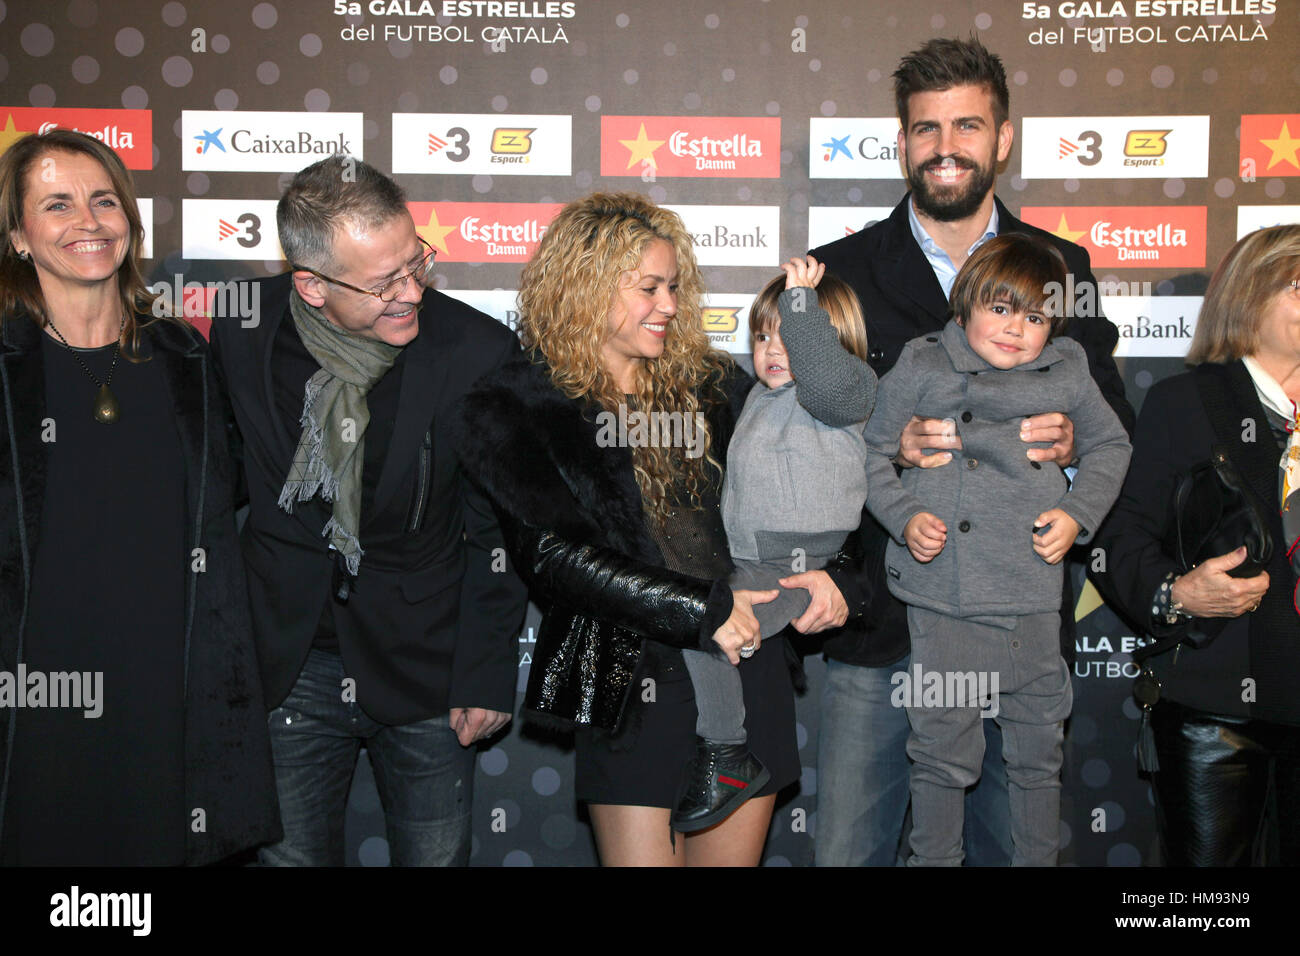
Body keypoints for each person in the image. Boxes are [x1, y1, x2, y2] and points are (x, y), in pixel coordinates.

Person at [808, 35, 1134, 866]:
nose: (946, 147)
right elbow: (803, 435)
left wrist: (1065, 452)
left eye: (967, 126)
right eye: (926, 129)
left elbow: (1106, 423)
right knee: (850, 851)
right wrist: (887, 444)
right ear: (903, 140)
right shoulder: (842, 273)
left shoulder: (1063, 269)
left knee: (1010, 846)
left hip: (1016, 615)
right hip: (878, 626)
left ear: (1004, 138)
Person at [456, 193, 840, 865]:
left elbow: (814, 485)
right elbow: (553, 558)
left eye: (674, 286)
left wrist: (839, 577)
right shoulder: (515, 406)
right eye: (648, 288)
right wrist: (702, 610)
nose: (668, 304)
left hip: (743, 666)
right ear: (585, 288)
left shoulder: (718, 388)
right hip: (629, 678)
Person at [209, 155, 527, 866]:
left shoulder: (475, 352)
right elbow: (215, 479)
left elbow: (496, 532)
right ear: (311, 285)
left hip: (427, 668)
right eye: (383, 282)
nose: (411, 291)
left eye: (416, 263)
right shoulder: (242, 329)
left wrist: (482, 670)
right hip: (289, 661)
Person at [0, 128, 279, 865]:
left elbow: (229, 504)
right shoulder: (4, 363)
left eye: (104, 200)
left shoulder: (185, 356)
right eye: (56, 204)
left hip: (168, 686)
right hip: (34, 694)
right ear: (19, 235)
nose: (88, 222)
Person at [862, 234, 1131, 865]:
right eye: (1001, 308)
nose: (1015, 329)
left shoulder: (1068, 367)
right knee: (941, 760)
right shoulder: (923, 362)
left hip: (1033, 595)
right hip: (945, 597)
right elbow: (870, 451)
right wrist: (903, 517)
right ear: (965, 306)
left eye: (1035, 317)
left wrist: (1076, 513)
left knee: (1038, 760)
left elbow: (1112, 446)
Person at [1093, 224, 1300, 866]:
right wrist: (1177, 593)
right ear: (1249, 296)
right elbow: (1119, 540)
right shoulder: (1186, 403)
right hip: (1215, 713)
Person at [673, 256, 875, 832]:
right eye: (763, 335)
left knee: (705, 625)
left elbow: (827, 379)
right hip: (748, 558)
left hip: (797, 563)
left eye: (791, 334)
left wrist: (801, 306)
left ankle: (726, 751)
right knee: (702, 617)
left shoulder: (847, 390)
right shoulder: (758, 398)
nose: (773, 348)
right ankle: (722, 747)